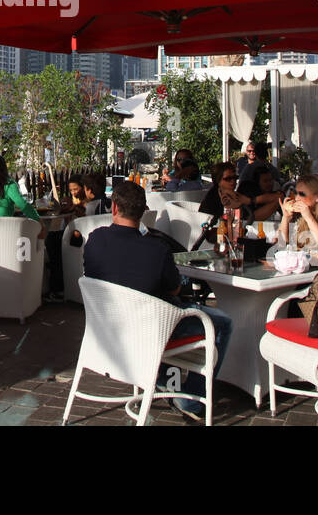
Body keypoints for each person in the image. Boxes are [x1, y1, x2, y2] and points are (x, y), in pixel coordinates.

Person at [83, 180, 232, 422]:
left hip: (105, 331)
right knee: (222, 322)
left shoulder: (95, 240)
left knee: (162, 307)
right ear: (143, 212)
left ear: (113, 209)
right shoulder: (156, 249)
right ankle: (191, 400)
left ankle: (163, 380)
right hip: (148, 333)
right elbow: (174, 288)